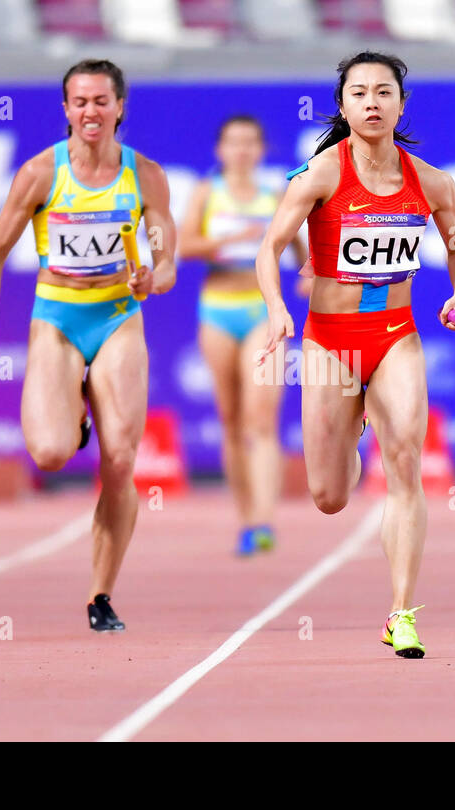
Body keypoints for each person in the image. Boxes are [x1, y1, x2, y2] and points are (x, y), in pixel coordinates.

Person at [255, 52, 455, 658]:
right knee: (328, 497)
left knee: (405, 458)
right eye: (359, 93)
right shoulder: (320, 175)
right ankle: (349, 434)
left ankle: (401, 613)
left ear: (401, 105)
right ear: (344, 106)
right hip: (329, 340)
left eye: (383, 92)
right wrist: (276, 308)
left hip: (396, 336)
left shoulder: (433, 183)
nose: (372, 102)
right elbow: (269, 248)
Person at [0, 60, 177, 631]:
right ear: (66, 109)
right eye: (80, 102)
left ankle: (100, 594)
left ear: (120, 107)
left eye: (101, 101)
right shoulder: (40, 174)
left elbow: (167, 262)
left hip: (116, 319)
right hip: (57, 321)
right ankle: (77, 410)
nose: (91, 111)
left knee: (121, 461)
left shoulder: (146, 176)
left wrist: (152, 278)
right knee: (50, 452)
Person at [178, 115, 306, 557]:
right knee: (232, 421)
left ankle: (265, 521)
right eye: (234, 142)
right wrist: (234, 238)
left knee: (261, 419)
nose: (242, 150)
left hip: (261, 312)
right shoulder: (206, 192)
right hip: (217, 310)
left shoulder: (274, 195)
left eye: (250, 142)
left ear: (261, 149)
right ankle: (247, 517)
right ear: (221, 150)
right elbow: (184, 246)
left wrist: (306, 273)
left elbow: (298, 242)